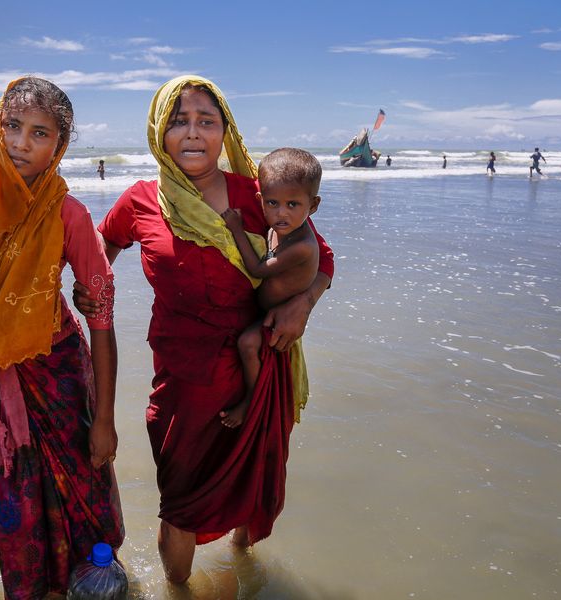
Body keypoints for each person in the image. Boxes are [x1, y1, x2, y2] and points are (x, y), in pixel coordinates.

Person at [76, 75, 334, 583]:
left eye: (205, 122)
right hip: (184, 380)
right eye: (178, 121)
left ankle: (244, 564)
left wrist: (304, 303)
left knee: (253, 478)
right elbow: (102, 245)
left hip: (257, 366)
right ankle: (178, 590)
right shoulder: (140, 200)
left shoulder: (257, 196)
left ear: (224, 133)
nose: (192, 133)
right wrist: (93, 294)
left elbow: (320, 255)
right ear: (158, 131)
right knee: (179, 503)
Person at [0, 76, 124, 599]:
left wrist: (104, 419)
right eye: (13, 126)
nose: (21, 143)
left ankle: (93, 579)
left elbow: (101, 316)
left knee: (83, 483)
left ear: (60, 144)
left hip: (58, 375)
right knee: (16, 485)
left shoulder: (68, 214)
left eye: (40, 133)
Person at [218, 148, 321, 428]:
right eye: (272, 203)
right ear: (260, 200)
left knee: (247, 343)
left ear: (313, 206)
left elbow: (257, 269)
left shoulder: (301, 245)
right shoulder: (281, 228)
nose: (281, 214)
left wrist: (237, 229)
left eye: (292, 204)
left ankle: (250, 400)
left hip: (274, 318)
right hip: (263, 309)